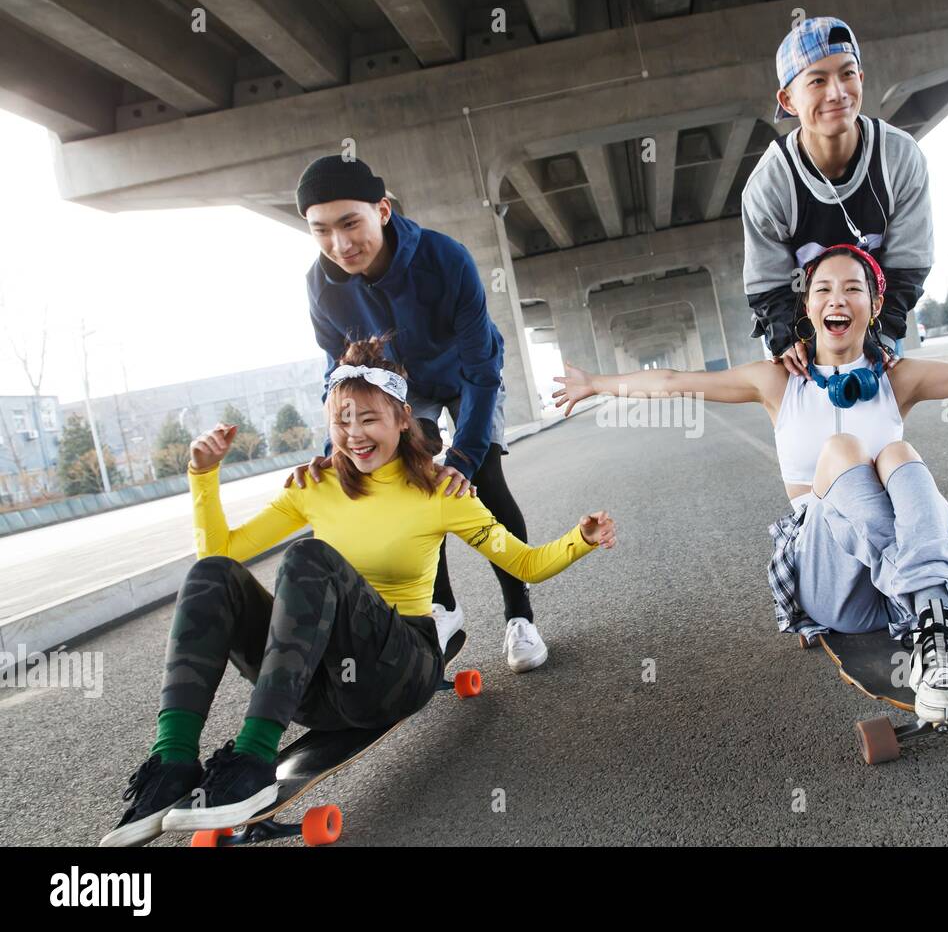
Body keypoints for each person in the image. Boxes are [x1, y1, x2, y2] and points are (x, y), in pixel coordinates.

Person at [554, 244, 948, 725]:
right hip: (830, 577)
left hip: (891, 586)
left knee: (896, 449)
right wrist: (596, 386)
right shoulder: (775, 383)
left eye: (854, 288)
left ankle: (934, 625)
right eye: (824, 289)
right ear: (807, 308)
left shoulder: (900, 379)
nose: (838, 298)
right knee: (843, 449)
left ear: (873, 305)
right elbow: (672, 383)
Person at [100, 337, 616, 846]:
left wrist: (581, 539)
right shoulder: (313, 486)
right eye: (342, 422)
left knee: (309, 558)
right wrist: (203, 476)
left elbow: (523, 562)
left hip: (400, 671)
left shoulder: (442, 489)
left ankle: (254, 760)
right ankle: (171, 764)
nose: (354, 435)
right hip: (317, 687)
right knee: (211, 576)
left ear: (401, 420)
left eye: (368, 419)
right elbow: (219, 553)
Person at [292, 154, 548, 673]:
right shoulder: (321, 286)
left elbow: (480, 370)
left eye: (350, 223)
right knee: (409, 484)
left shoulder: (444, 259)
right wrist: (332, 452)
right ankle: (443, 609)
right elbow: (338, 375)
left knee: (481, 483)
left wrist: (466, 457)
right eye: (322, 231)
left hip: (464, 373)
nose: (340, 245)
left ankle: (519, 617)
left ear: (381, 211)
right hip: (400, 389)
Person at [743, 16, 933, 378]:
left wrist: (883, 335)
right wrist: (786, 341)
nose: (837, 92)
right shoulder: (770, 183)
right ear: (788, 100)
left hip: (871, 323)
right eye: (817, 80)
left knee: (881, 427)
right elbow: (766, 283)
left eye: (847, 74)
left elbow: (909, 264)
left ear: (860, 79)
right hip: (802, 333)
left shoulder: (899, 157)